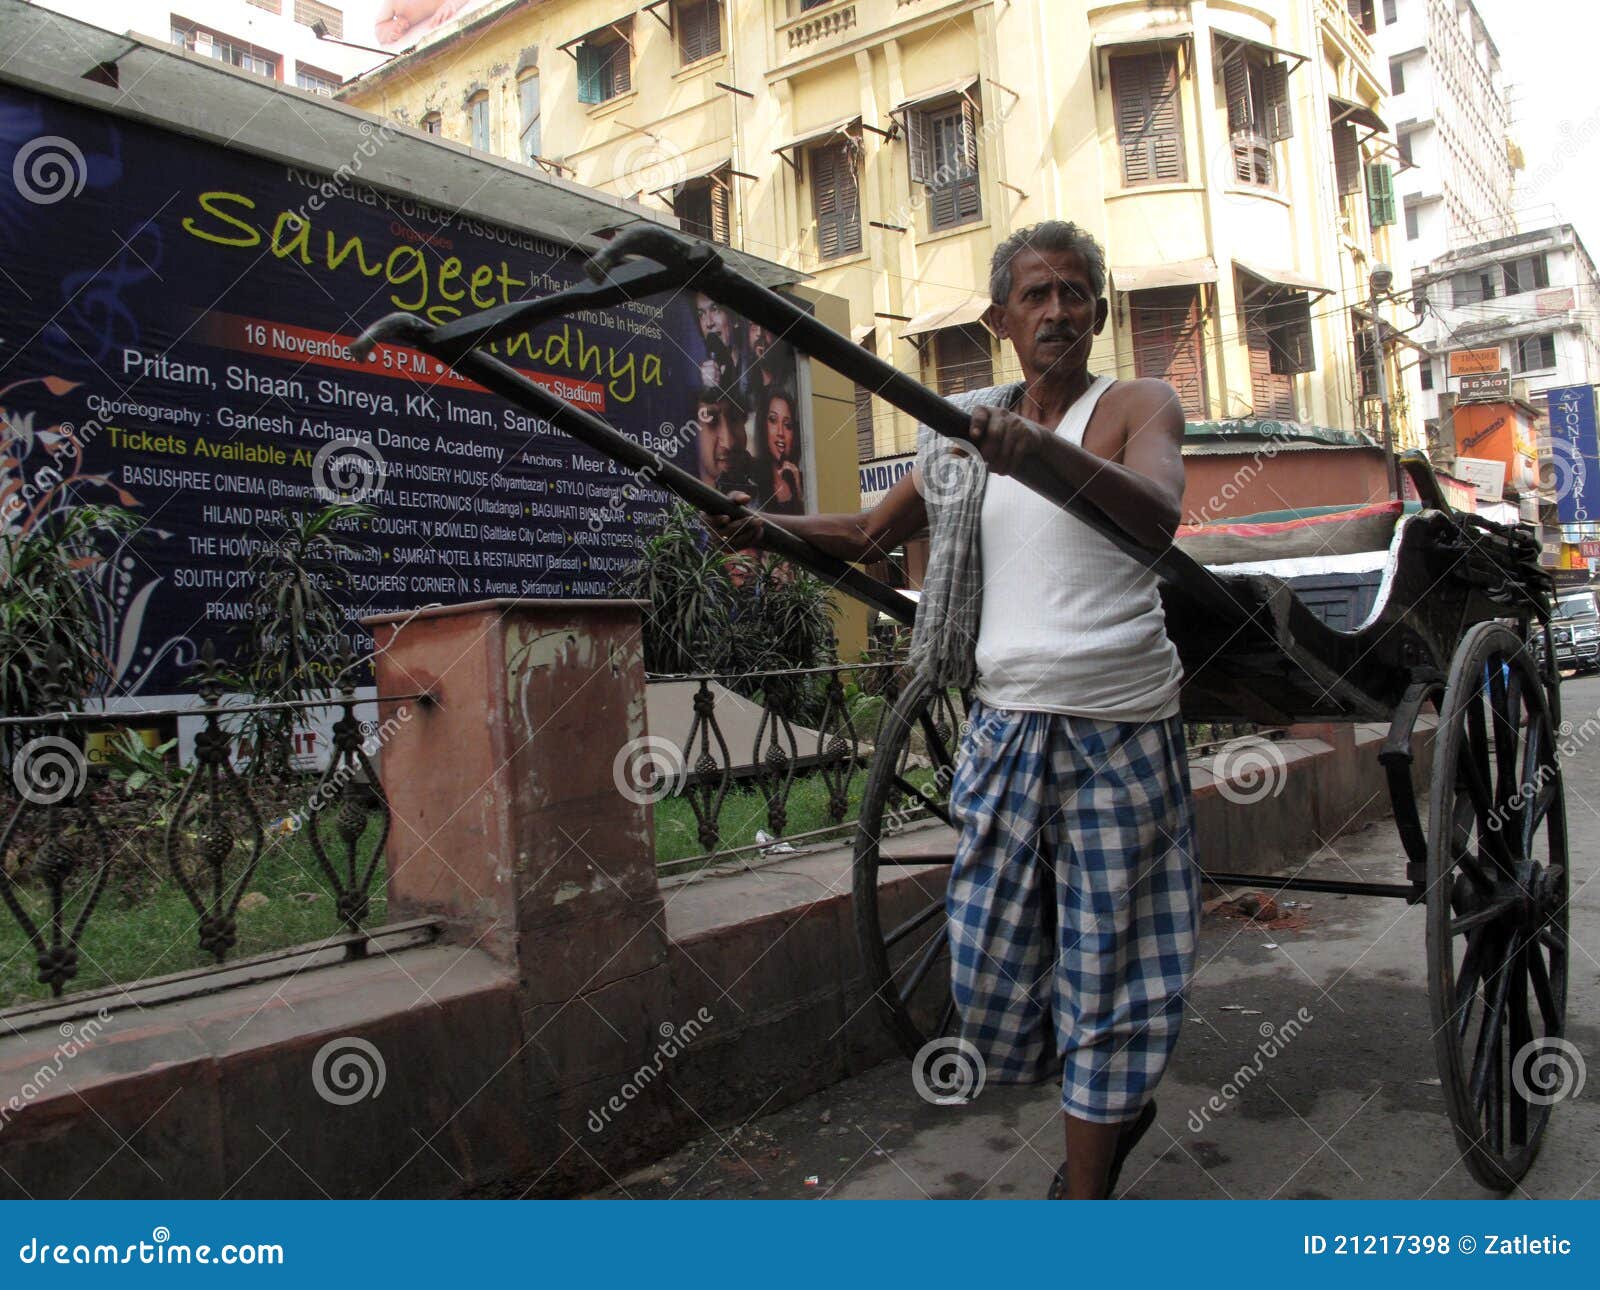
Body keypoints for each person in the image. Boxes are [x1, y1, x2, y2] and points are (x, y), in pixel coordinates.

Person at [704, 221, 1197, 1200]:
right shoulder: (967, 430)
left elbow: (1156, 515)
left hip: (1118, 727)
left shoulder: (1137, 404)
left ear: (1098, 311)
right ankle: (1109, 1098)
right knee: (988, 967)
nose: (1056, 310)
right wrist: (762, 525)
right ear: (999, 319)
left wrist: (1040, 455)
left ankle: (1086, 1185)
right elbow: (867, 533)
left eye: (1073, 292)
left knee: (1105, 966)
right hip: (1006, 727)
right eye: (1035, 295)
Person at [693, 385, 758, 498]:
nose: (728, 443)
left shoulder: (767, 480)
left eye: (734, 419)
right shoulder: (674, 488)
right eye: (712, 422)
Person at [753, 385, 805, 516]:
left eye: (787, 425)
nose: (781, 432)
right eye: (773, 420)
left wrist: (799, 492)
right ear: (762, 425)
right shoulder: (751, 477)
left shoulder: (801, 480)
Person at [694, 290, 747, 394]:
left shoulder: (752, 369)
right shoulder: (705, 373)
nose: (708, 323)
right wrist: (708, 389)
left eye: (715, 309)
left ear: (734, 318)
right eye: (701, 314)